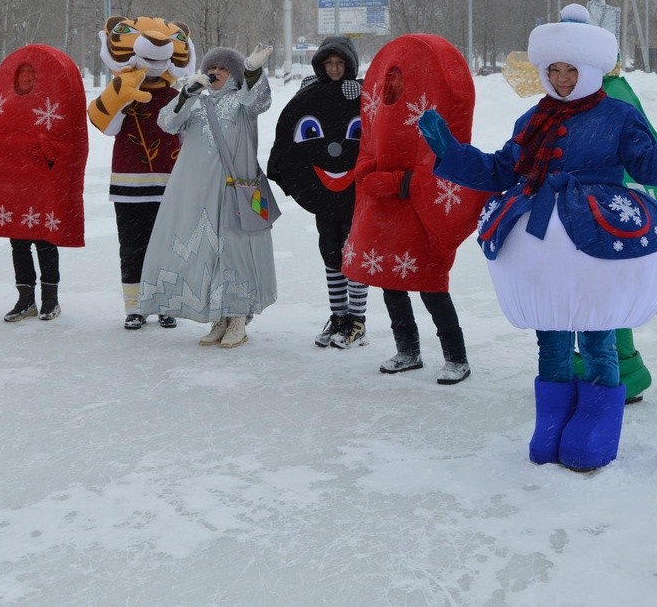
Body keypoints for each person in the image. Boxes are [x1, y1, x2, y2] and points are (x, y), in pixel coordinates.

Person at [418, 4, 657, 470]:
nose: (560, 79)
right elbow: (501, 170)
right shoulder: (532, 119)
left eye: (570, 70)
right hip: (541, 249)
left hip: (596, 243)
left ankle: (596, 427)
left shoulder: (618, 116)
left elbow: (650, 169)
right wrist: (450, 153)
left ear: (592, 68)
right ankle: (553, 423)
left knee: (598, 336)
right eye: (552, 70)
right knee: (552, 339)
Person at [344, 34, 488, 384]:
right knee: (392, 284)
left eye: (402, 79)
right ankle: (407, 349)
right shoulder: (380, 109)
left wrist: (399, 183)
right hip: (386, 213)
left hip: (420, 214)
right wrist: (367, 174)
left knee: (431, 285)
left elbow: (445, 163)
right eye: (391, 79)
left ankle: (456, 356)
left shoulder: (432, 113)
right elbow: (368, 148)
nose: (395, 85)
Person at [137, 44, 277, 348]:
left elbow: (259, 101)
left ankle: (238, 318)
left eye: (224, 68)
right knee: (209, 251)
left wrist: (252, 72)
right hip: (199, 190)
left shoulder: (242, 102)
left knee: (235, 250)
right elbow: (167, 122)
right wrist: (185, 95)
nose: (216, 73)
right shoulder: (197, 103)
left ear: (234, 74)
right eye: (212, 68)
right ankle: (219, 318)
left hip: (236, 190)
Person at [0, 45, 88, 322]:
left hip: (41, 189)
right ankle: (25, 298)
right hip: (13, 190)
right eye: (22, 74)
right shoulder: (7, 106)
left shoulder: (49, 107)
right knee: (18, 245)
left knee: (44, 243)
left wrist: (50, 150)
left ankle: (50, 299)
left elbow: (69, 149)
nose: (26, 79)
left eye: (31, 74)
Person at [86, 16, 196, 331]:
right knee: (132, 247)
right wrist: (119, 95)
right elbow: (107, 127)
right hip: (129, 183)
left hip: (168, 184)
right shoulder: (121, 90)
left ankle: (165, 303)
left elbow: (188, 140)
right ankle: (134, 306)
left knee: (167, 246)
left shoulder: (176, 98)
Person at [266, 36, 369, 348]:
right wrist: (281, 166)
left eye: (340, 64)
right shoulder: (310, 95)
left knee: (355, 254)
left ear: (348, 65)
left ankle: (357, 321)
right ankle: (338, 316)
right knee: (331, 254)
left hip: (356, 195)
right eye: (329, 64)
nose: (335, 69)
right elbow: (290, 133)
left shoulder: (363, 96)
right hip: (324, 196)